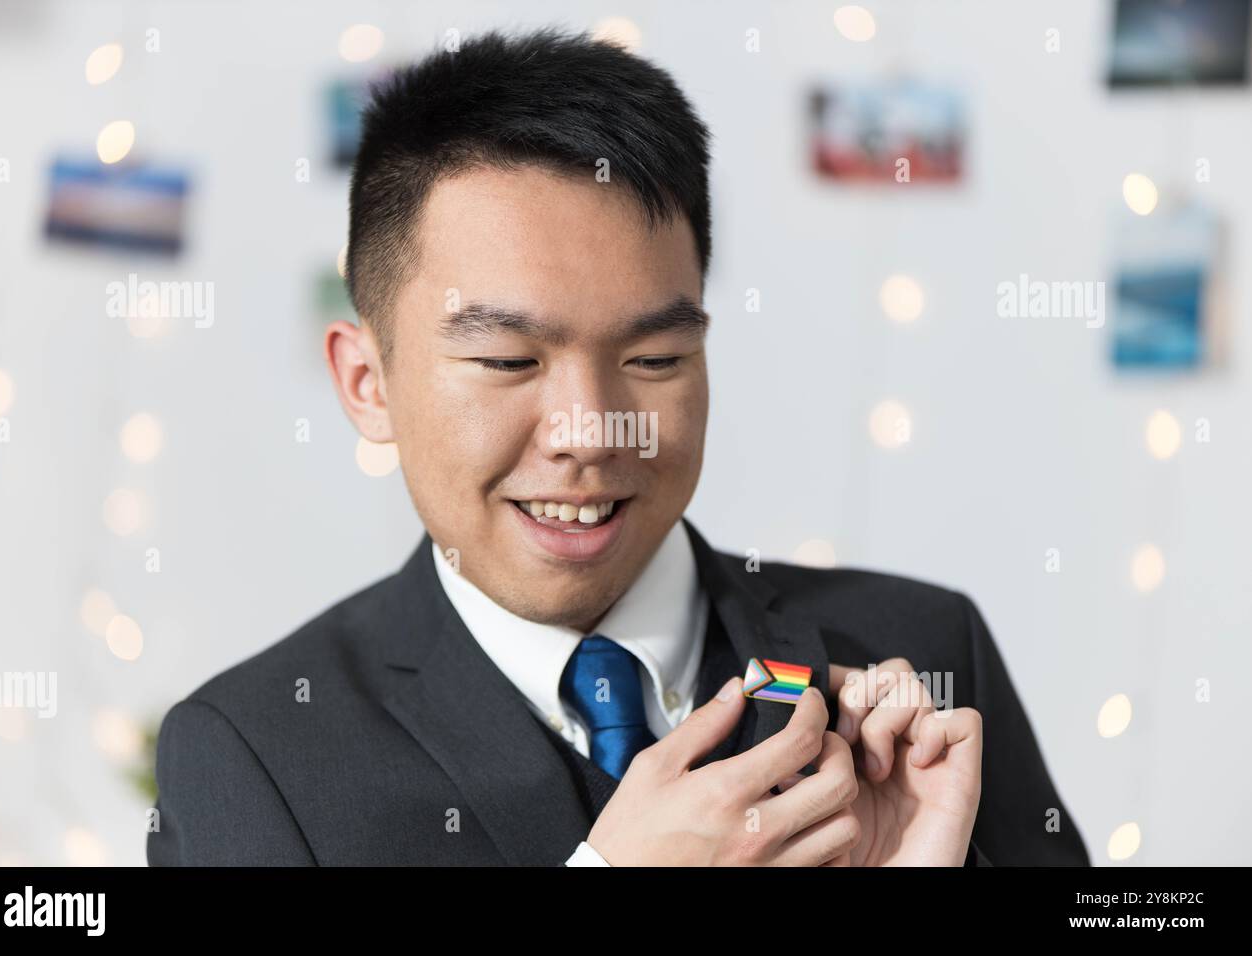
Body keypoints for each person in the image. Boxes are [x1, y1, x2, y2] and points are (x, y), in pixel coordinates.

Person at [147, 28, 1089, 866]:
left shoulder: (921, 651)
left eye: (654, 356)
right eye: (510, 359)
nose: (590, 433)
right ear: (368, 381)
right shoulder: (253, 755)